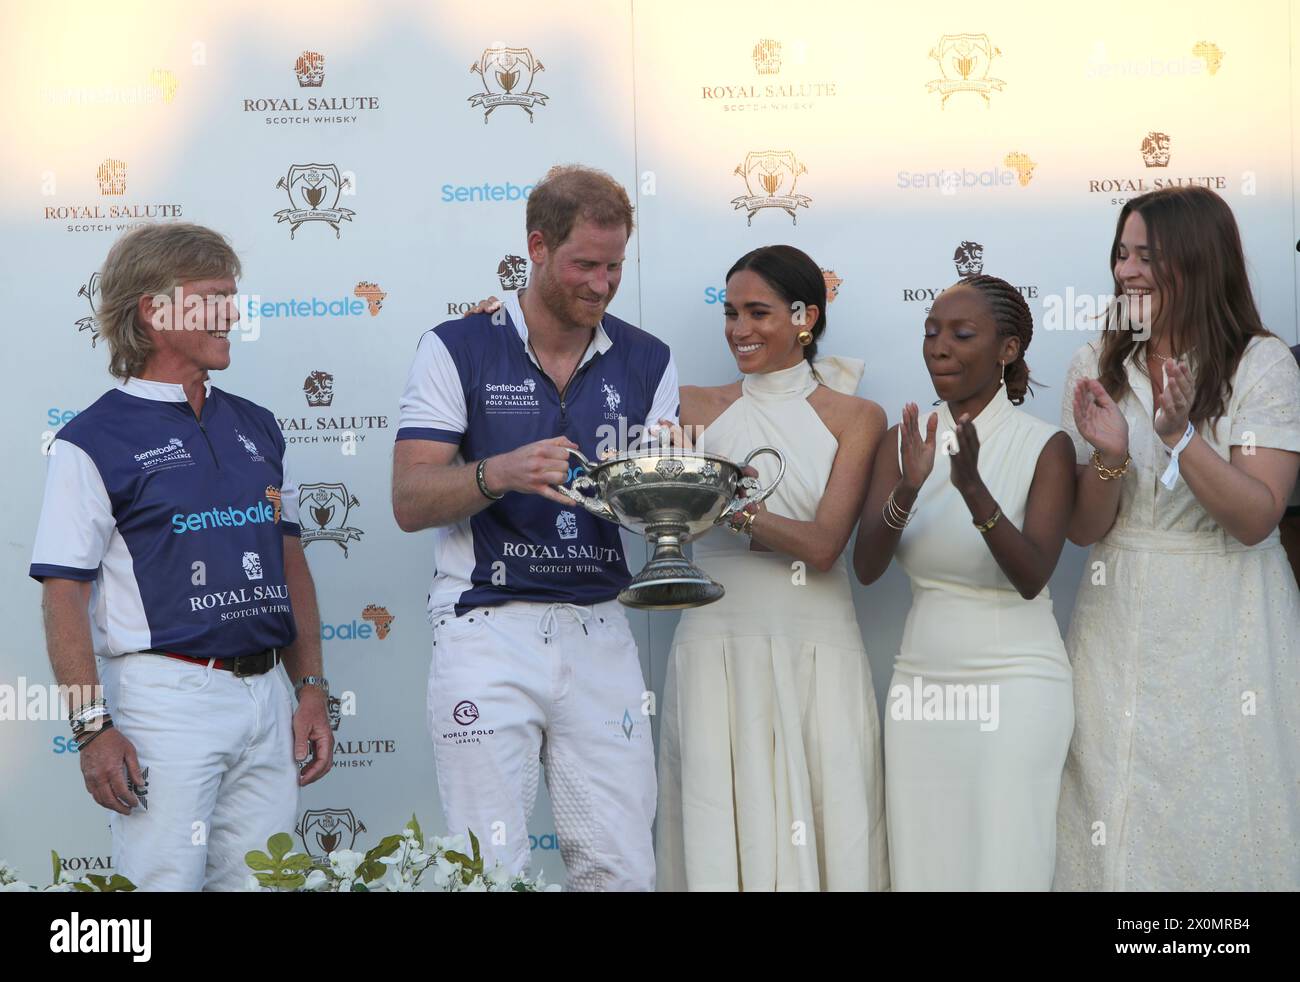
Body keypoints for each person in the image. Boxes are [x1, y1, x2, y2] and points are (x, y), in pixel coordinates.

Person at [391, 165, 679, 891]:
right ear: (538, 246)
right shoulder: (456, 347)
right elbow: (409, 499)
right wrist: (500, 472)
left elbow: (657, 512)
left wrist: (665, 491)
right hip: (487, 626)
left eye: (615, 267)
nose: (602, 283)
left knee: (620, 865)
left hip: (599, 627)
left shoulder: (650, 359)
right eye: (585, 264)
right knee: (485, 869)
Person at [30, 222, 332, 891]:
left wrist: (310, 689)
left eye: (234, 295)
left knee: (267, 883)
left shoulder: (257, 423)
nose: (233, 313)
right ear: (153, 310)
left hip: (267, 698)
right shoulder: (90, 440)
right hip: (165, 703)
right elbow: (62, 595)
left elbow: (291, 566)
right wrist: (91, 727)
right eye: (214, 297)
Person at [1055, 186, 1300, 891]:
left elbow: (1257, 519)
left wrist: (1180, 438)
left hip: (1232, 615)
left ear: (1198, 261)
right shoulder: (1094, 362)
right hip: (1119, 609)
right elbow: (1084, 529)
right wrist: (1107, 457)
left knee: (1230, 798)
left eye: (1147, 256)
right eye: (1121, 252)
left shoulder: (1262, 364)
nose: (1126, 270)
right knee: (1110, 796)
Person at [652, 244, 889, 891]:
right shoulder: (689, 407)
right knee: (714, 820)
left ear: (805, 316)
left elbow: (822, 546)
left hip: (816, 639)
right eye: (730, 313)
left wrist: (724, 504)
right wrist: (503, 323)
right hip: (714, 639)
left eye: (757, 312)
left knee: (828, 815)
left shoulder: (858, 417)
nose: (738, 330)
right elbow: (584, 398)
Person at [853, 274, 1076, 890]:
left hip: (1018, 685)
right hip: (921, 683)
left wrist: (972, 487)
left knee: (1006, 862)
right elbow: (866, 569)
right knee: (925, 865)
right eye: (930, 332)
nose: (939, 346)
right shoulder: (903, 441)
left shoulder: (1045, 446)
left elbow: (1032, 575)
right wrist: (906, 488)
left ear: (1007, 350)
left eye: (961, 333)